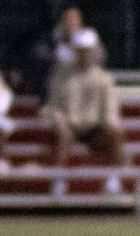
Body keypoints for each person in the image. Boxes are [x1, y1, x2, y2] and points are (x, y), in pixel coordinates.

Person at [44, 43, 125, 188]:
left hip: (95, 128)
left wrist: (109, 124)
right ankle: (58, 180)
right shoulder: (61, 76)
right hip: (71, 127)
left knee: (114, 133)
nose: (84, 55)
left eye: (87, 51)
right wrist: (60, 121)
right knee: (62, 134)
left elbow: (110, 109)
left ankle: (113, 178)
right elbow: (54, 105)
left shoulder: (104, 78)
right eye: (81, 51)